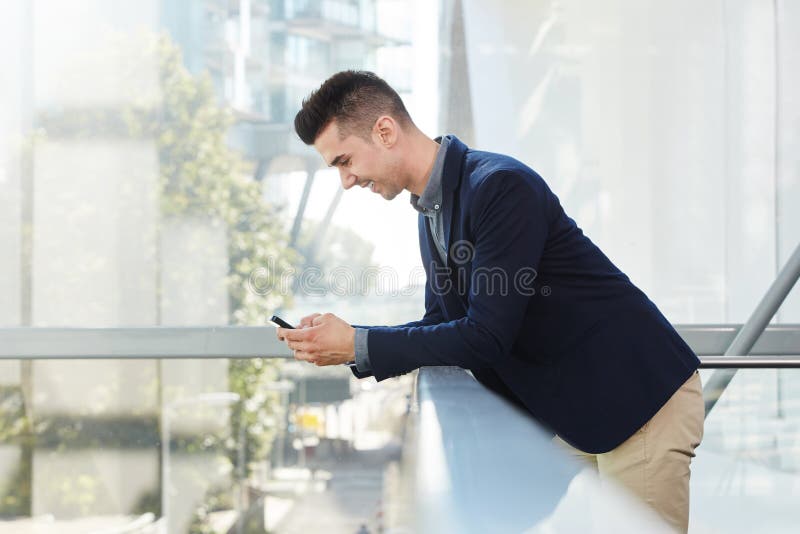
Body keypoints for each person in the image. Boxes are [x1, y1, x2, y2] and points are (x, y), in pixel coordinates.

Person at [276, 70, 704, 532]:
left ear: (384, 131)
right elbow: (440, 321)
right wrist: (352, 340)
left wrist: (358, 343)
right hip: (572, 408)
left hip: (636, 398)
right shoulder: (431, 212)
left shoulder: (500, 186)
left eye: (344, 161)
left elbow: (486, 335)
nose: (345, 180)